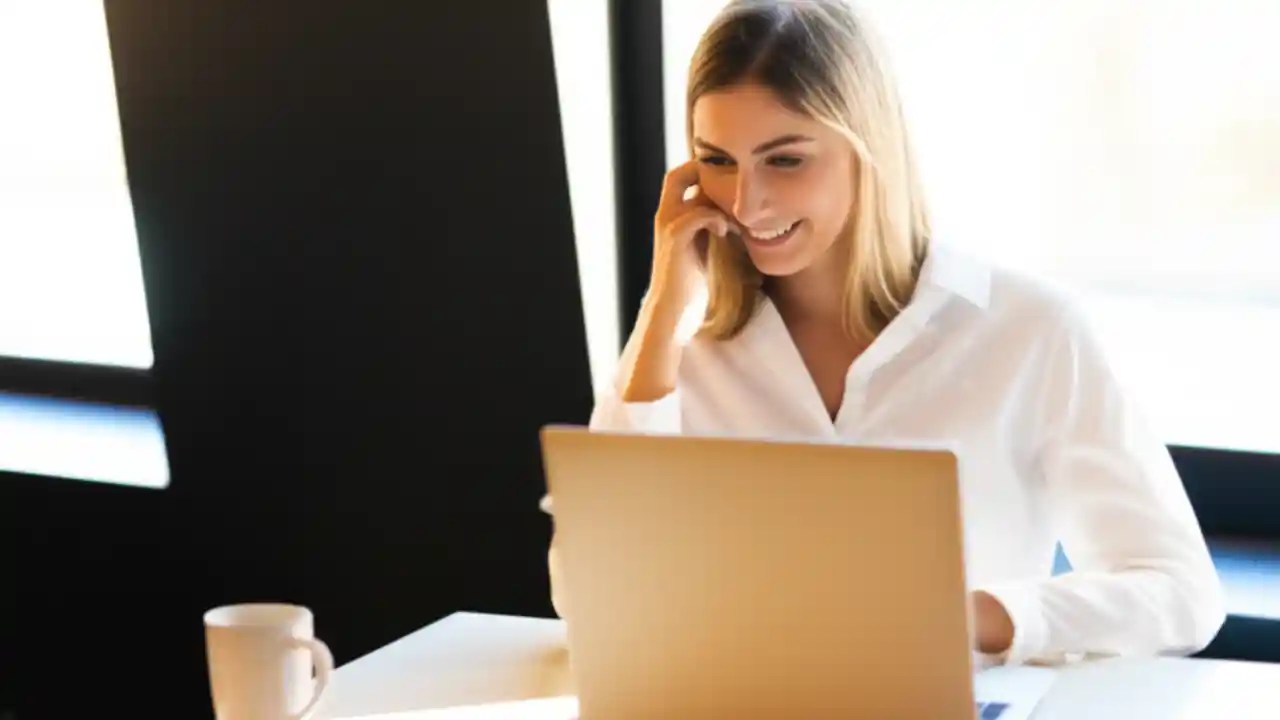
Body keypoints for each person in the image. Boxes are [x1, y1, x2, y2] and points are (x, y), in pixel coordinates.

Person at [542, 0, 1225, 668]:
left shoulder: (1029, 330)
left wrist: (966, 617)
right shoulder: (685, 355)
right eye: (718, 161)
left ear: (867, 151)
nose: (746, 203)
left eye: (785, 160)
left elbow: (1182, 594)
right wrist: (663, 308)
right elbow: (587, 600)